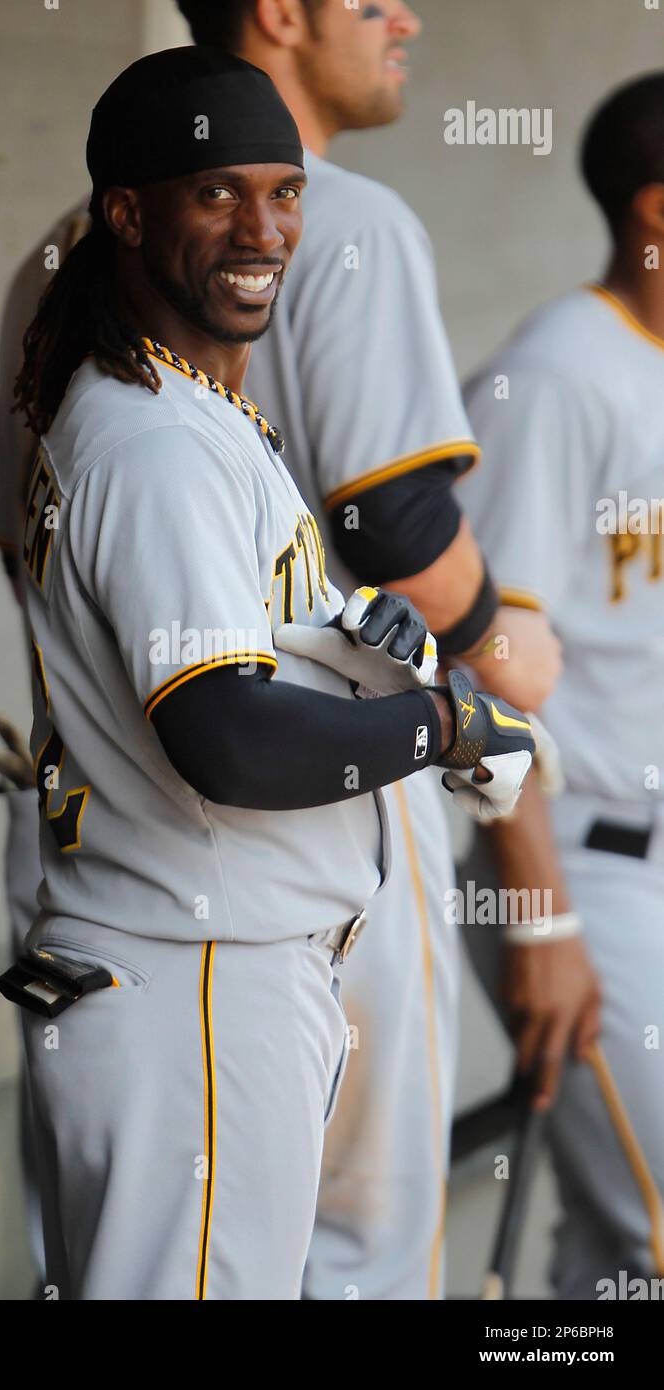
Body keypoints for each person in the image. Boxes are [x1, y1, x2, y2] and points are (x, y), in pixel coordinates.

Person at [0, 0, 563, 1301]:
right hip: (194, 968)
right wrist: (448, 721)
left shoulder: (176, 406)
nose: (265, 233)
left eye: (282, 195)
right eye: (217, 195)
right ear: (128, 214)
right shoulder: (149, 436)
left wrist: (359, 661)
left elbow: (217, 662)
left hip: (187, 955)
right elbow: (225, 732)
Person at [460, 72, 664, 1299]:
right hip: (580, 861)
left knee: (613, 1255)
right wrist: (539, 920)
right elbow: (481, 661)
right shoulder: (556, 374)